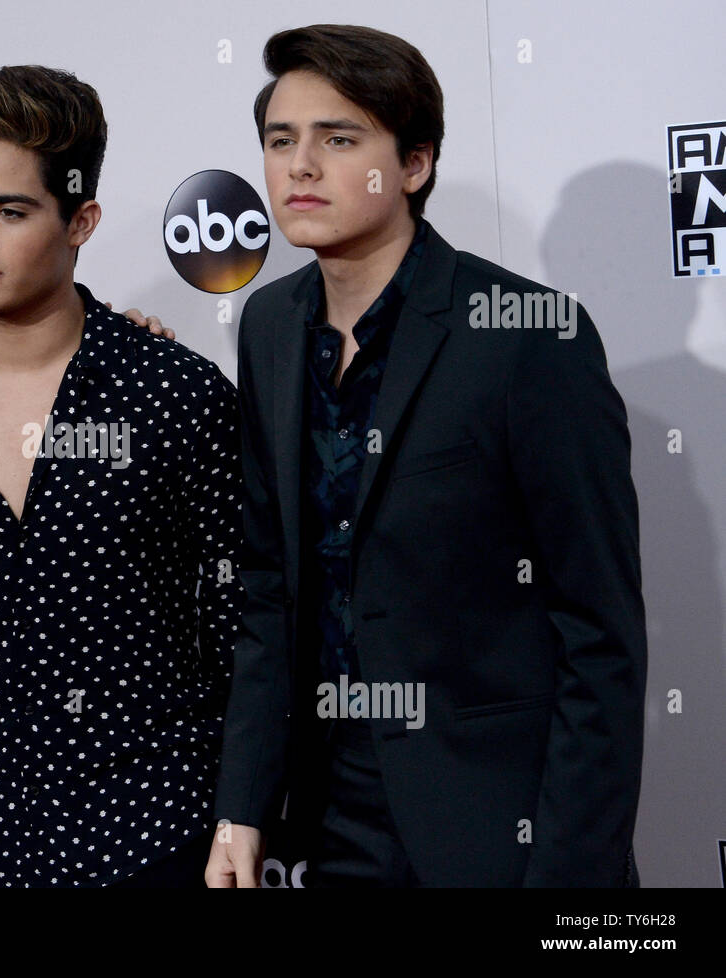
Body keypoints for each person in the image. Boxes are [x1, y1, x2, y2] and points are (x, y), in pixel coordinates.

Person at [202, 25, 646, 887]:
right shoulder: (268, 327)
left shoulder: (524, 334)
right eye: (280, 140)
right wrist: (243, 804)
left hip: (497, 827)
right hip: (326, 821)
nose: (299, 166)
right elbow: (269, 589)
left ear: (413, 164)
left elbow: (601, 635)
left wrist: (569, 880)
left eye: (338, 139)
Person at [0, 65, 243, 887]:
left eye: (11, 210)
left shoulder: (175, 393)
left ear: (80, 220)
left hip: (164, 827)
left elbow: (241, 620)